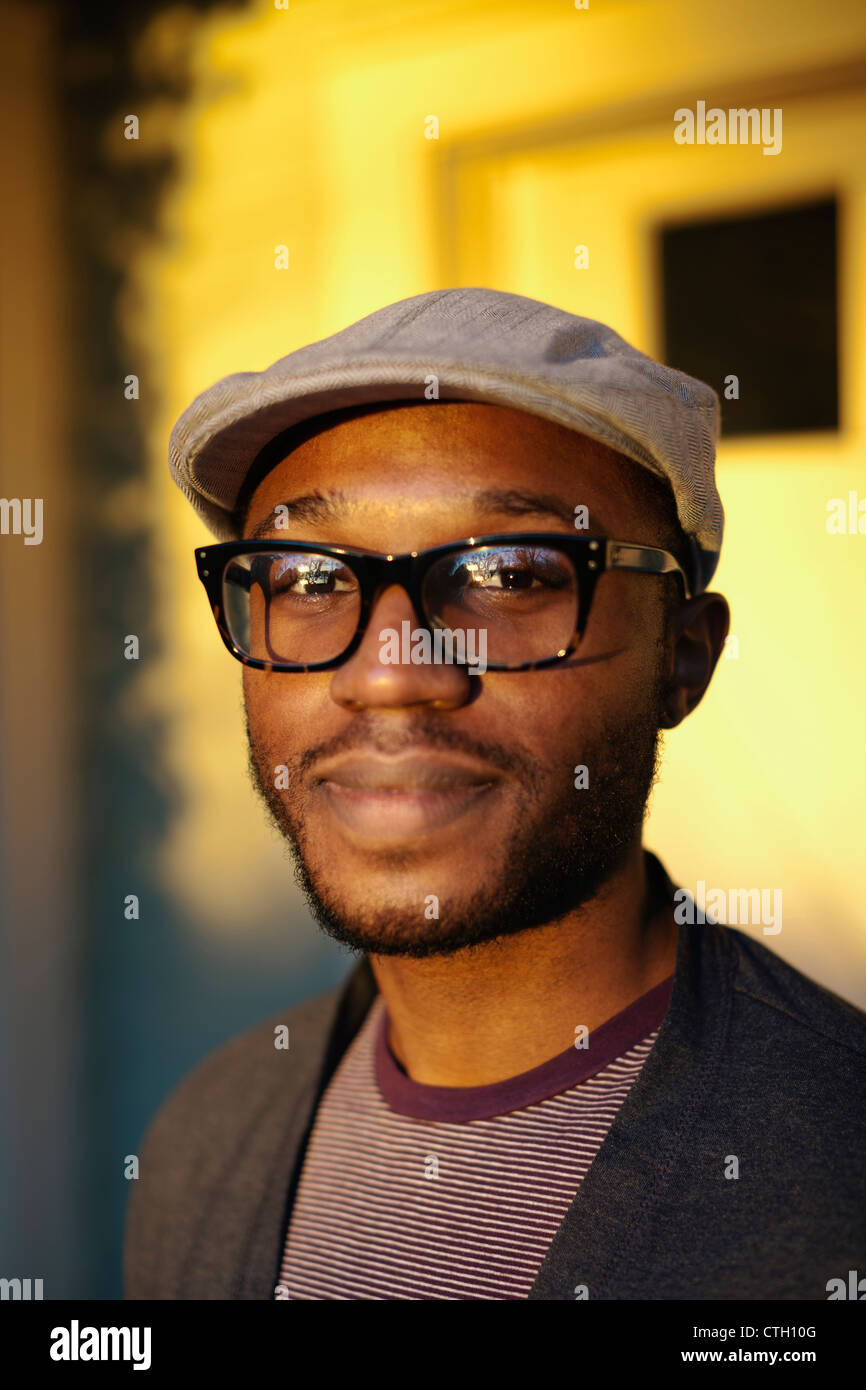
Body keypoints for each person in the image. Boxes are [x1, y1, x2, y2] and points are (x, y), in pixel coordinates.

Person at [124, 287, 866, 1300]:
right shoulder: (202, 1140)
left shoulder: (835, 1163)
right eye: (305, 578)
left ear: (681, 658)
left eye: (511, 573)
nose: (389, 671)